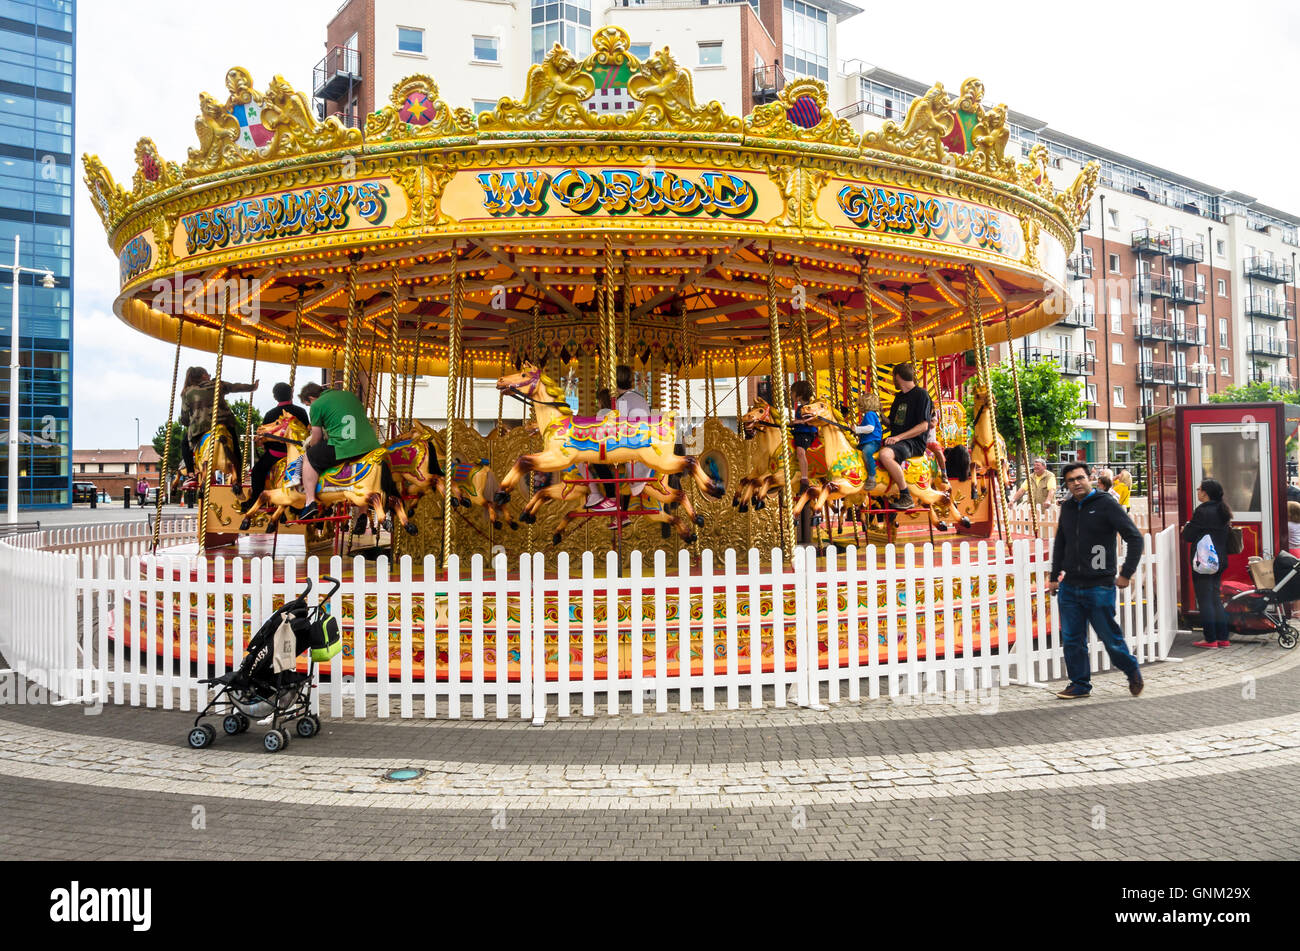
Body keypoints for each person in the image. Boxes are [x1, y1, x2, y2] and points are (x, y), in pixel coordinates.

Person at [1048, 461, 1145, 699]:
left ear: (1089, 478)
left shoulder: (1106, 504)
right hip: (1070, 585)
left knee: (1110, 639)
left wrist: (1126, 572)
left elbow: (1134, 538)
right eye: (1071, 480)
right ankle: (1079, 684)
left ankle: (1131, 669)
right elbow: (1061, 542)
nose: (1076, 483)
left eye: (1080, 478)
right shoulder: (1068, 507)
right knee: (1072, 640)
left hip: (1099, 585)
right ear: (1067, 484)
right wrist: (1054, 576)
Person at [296, 381, 381, 522]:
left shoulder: (317, 405)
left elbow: (316, 437)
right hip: (370, 446)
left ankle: (310, 502)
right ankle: (362, 512)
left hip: (345, 446)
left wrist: (310, 447)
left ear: (311, 398)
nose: (310, 407)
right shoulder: (349, 395)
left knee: (309, 457)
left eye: (308, 404)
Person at [177, 366, 258, 483]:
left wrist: (190, 422)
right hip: (224, 422)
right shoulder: (217, 384)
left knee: (185, 444)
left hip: (200, 428)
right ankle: (238, 476)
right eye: (207, 374)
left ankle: (191, 473)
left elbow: (184, 417)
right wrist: (252, 387)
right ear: (203, 376)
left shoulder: (187, 392)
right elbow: (235, 387)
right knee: (235, 447)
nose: (209, 376)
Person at [240, 382, 311, 514]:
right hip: (299, 454)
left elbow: (265, 439)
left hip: (276, 454)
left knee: (257, 471)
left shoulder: (270, 414)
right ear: (291, 394)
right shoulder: (300, 412)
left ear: (275, 397)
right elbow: (306, 433)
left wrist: (264, 446)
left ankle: (254, 499)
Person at [1181, 479, 1234, 649]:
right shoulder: (1222, 510)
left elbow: (1189, 535)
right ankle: (1223, 637)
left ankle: (1210, 638)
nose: (1197, 492)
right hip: (1219, 560)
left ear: (1205, 493)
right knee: (1215, 598)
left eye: (1199, 490)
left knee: (1205, 600)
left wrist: (1185, 529)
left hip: (1203, 562)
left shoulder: (1202, 511)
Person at [879, 363, 933, 510]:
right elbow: (893, 424)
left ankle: (905, 495)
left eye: (893, 378)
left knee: (884, 454)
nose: (892, 381)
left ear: (898, 377)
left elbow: (923, 426)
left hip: (914, 443)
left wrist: (898, 438)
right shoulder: (899, 398)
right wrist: (879, 414)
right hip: (898, 440)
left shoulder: (921, 395)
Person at [615, 365, 651, 504]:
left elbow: (621, 429)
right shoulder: (640, 398)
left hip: (634, 449)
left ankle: (611, 499)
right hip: (646, 444)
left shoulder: (622, 401)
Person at [586, 387, 618, 512]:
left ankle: (610, 496)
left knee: (598, 463)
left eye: (598, 401)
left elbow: (599, 431)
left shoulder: (602, 412)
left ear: (602, 401)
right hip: (613, 442)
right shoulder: (610, 411)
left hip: (608, 444)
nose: (597, 404)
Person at [789, 379, 817, 488]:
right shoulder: (800, 408)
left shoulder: (811, 406)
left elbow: (813, 421)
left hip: (807, 434)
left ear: (800, 395)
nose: (791, 394)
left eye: (793, 392)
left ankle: (804, 478)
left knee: (800, 451)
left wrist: (799, 421)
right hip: (797, 432)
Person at [853, 391, 883, 490]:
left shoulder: (870, 414)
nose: (859, 406)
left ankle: (871, 476)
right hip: (866, 441)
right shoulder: (869, 415)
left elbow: (870, 428)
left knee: (866, 452)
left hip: (873, 441)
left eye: (860, 404)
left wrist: (857, 429)